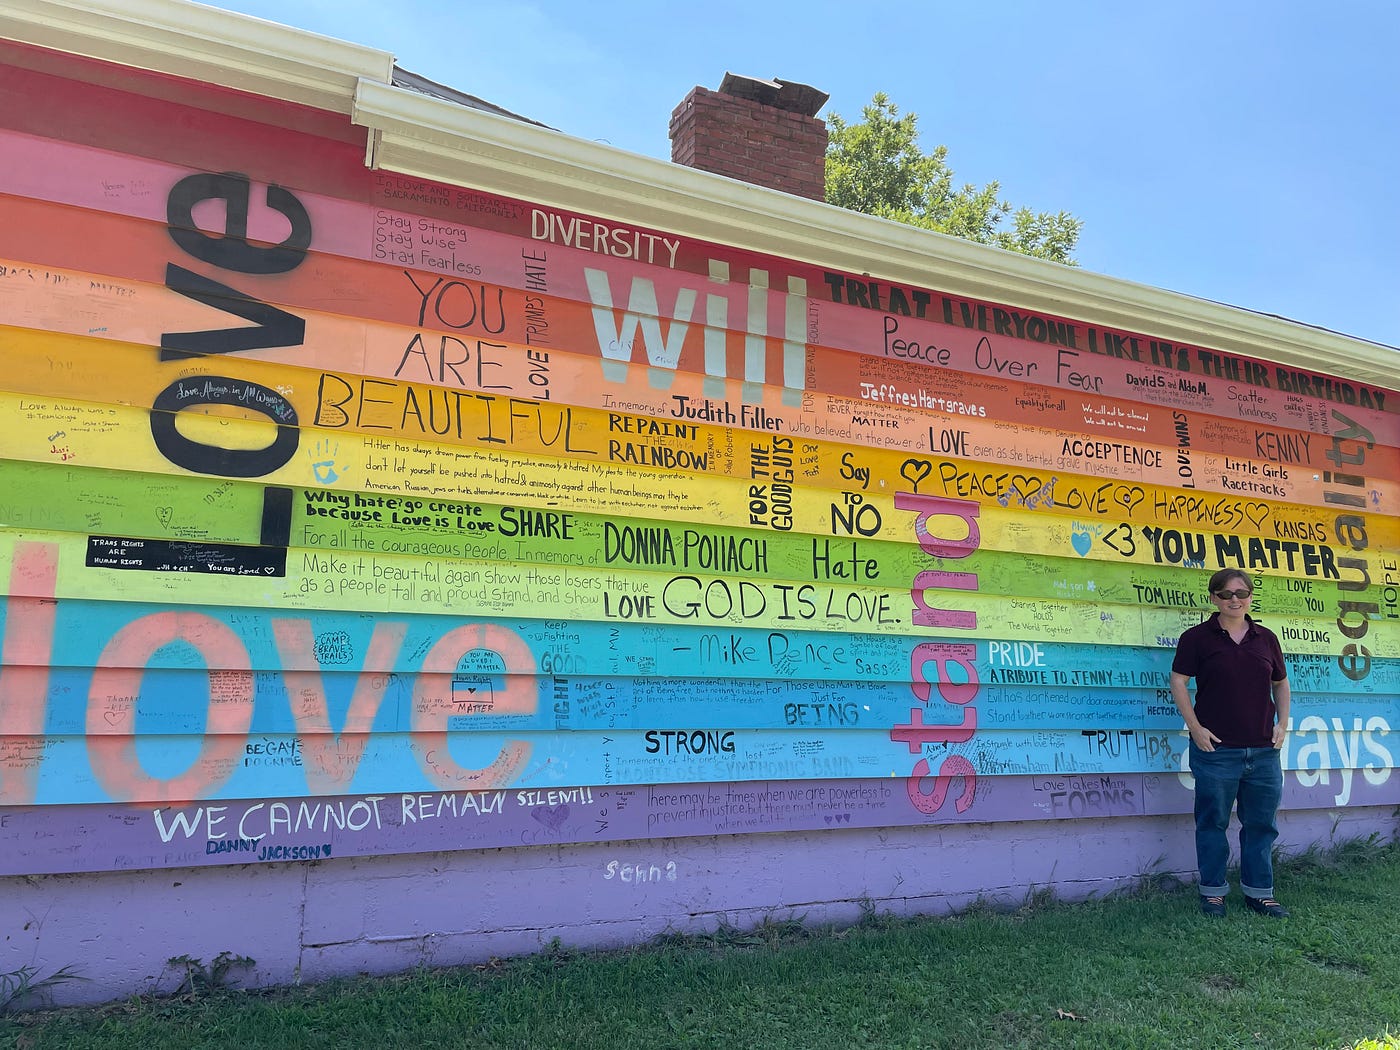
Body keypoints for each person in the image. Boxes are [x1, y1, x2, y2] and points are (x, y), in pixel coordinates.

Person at [1170, 567, 1291, 918]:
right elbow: (1179, 681)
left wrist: (1282, 723)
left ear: (1251, 597)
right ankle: (1212, 894)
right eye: (1225, 594)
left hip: (1264, 752)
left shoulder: (1266, 639)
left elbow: (1280, 683)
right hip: (1216, 751)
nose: (1234, 600)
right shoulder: (1197, 638)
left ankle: (1259, 893)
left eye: (1241, 593)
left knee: (1261, 825)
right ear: (1214, 599)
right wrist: (1194, 727)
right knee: (1212, 823)